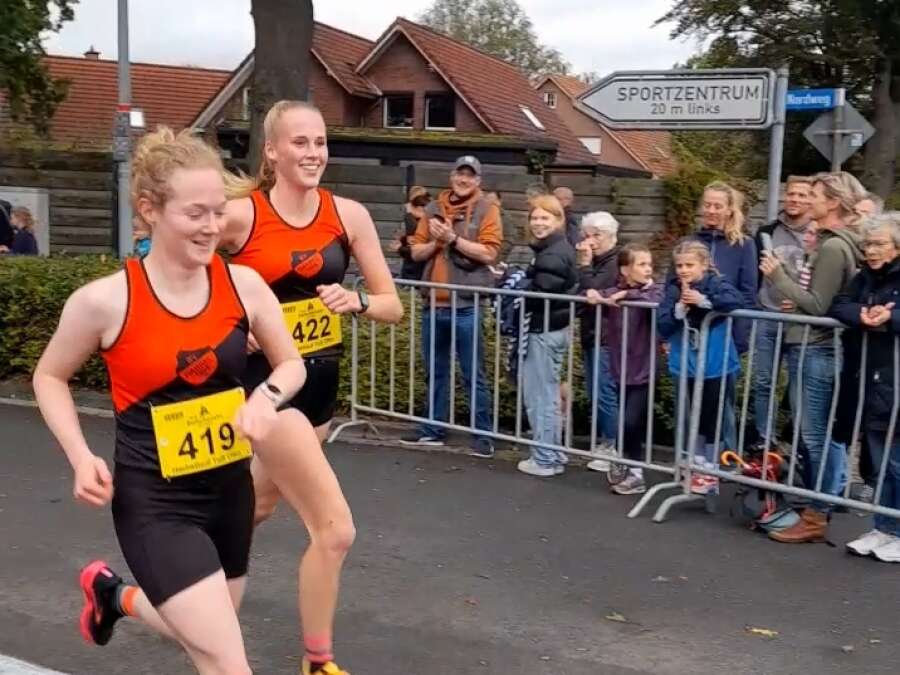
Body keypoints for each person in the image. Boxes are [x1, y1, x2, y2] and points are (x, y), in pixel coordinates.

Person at [31, 127, 313, 674]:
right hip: (156, 504)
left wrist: (265, 398)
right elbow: (49, 376)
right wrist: (79, 455)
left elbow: (291, 364)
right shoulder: (104, 302)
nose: (212, 227)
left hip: (230, 494)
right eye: (195, 214)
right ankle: (122, 596)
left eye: (217, 212)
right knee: (229, 661)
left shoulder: (245, 286)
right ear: (150, 210)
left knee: (211, 636)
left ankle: (116, 598)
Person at [222, 99, 401, 674]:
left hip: (321, 386)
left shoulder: (348, 215)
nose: (313, 153)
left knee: (256, 505)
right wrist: (233, 324)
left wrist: (357, 301)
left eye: (320, 142)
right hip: (267, 390)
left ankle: (164, 592)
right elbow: (173, 265)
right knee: (333, 529)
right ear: (272, 151)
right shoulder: (240, 216)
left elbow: (393, 305)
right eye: (299, 142)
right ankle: (316, 661)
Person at [760, 171, 864, 544]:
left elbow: (820, 306)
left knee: (813, 435)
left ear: (833, 202)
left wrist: (777, 277)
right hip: (814, 344)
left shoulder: (835, 247)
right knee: (813, 434)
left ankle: (816, 514)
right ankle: (817, 507)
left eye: (816, 196)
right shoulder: (832, 243)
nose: (809, 202)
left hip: (816, 346)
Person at [402, 154, 502, 457]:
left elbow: (489, 253)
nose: (464, 179)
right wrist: (437, 243)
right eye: (460, 173)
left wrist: (453, 239)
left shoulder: (488, 208)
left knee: (474, 373)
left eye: (470, 175)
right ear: (452, 176)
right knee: (435, 371)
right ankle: (432, 430)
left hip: (468, 304)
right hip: (433, 303)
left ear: (478, 181)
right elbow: (416, 251)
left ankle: (482, 436)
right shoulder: (432, 209)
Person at [831, 212, 900, 562]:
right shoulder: (865, 278)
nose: (870, 251)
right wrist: (861, 314)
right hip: (873, 376)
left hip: (896, 376)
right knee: (881, 457)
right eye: (867, 244)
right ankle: (883, 526)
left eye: (878, 244)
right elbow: (839, 304)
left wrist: (892, 317)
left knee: (898, 459)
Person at [658, 240, 743, 495]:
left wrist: (704, 300)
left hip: (716, 362)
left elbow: (735, 301)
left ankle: (711, 465)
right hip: (686, 362)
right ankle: (694, 461)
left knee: (712, 413)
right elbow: (662, 324)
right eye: (679, 265)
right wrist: (679, 310)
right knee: (688, 412)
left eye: (689, 265)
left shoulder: (717, 283)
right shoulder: (673, 289)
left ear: (704, 265)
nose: (683, 270)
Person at [587, 243, 663, 494]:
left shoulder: (653, 291)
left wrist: (627, 296)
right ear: (625, 269)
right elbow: (602, 295)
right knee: (624, 421)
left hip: (644, 369)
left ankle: (636, 471)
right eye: (641, 264)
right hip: (621, 368)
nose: (648, 269)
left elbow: (655, 301)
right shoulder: (616, 291)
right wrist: (593, 295)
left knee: (631, 421)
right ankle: (627, 465)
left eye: (649, 264)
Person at [516, 195, 577, 477]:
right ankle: (551, 453)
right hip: (554, 327)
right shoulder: (554, 249)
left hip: (545, 328)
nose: (538, 223)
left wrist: (518, 286)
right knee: (549, 394)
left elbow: (541, 294)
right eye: (535, 218)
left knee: (541, 395)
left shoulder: (552, 253)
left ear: (558, 220)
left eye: (545, 218)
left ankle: (544, 458)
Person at [751, 176, 814, 452]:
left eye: (802, 195)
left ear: (812, 200)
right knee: (764, 381)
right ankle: (764, 438)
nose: (795, 199)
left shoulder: (817, 235)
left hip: (801, 321)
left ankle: (794, 440)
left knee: (799, 386)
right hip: (768, 316)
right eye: (791, 194)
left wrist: (800, 304)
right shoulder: (766, 232)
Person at [576, 212, 621, 472]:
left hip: (607, 335)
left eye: (597, 235)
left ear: (611, 237)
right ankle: (604, 441)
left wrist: (584, 265)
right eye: (588, 235)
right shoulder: (597, 260)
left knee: (605, 392)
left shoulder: (613, 262)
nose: (590, 241)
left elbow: (593, 289)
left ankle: (612, 445)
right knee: (595, 389)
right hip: (592, 332)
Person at [394, 185, 430, 280]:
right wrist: (403, 240)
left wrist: (400, 248)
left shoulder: (427, 217)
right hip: (410, 262)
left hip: (420, 264)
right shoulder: (411, 216)